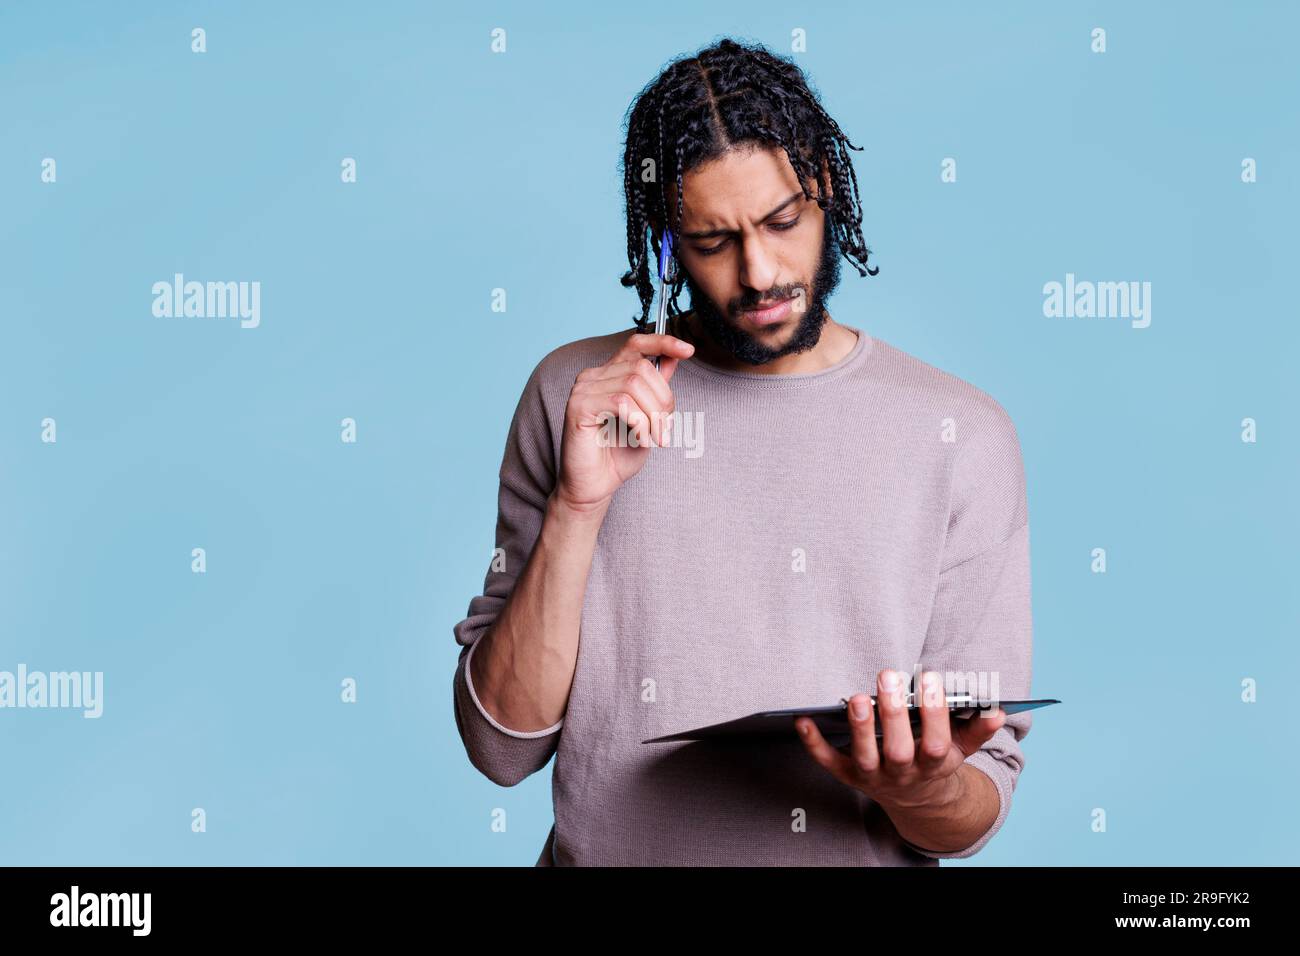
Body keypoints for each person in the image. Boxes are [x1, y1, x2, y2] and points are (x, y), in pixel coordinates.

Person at [451, 37, 1034, 866]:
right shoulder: (576, 395)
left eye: (782, 222)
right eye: (714, 241)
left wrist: (923, 788)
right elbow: (500, 747)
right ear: (664, 243)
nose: (760, 273)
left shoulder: (961, 435)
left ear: (828, 189)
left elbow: (979, 803)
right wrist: (579, 508)